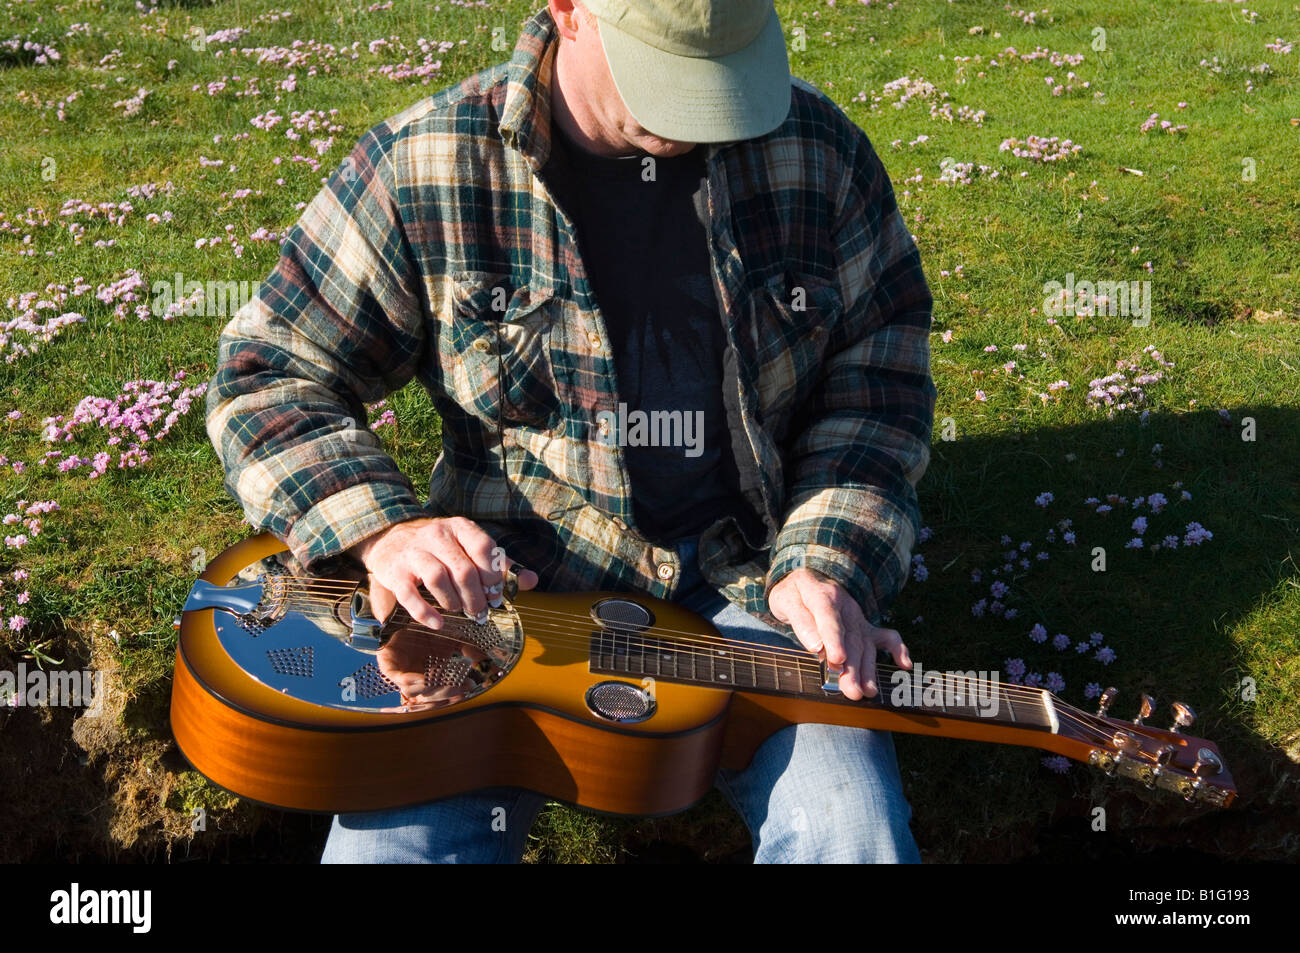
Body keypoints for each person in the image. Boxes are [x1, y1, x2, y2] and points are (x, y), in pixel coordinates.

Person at [206, 0, 936, 863]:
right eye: (672, 68)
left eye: (727, 71)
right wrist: (384, 530)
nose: (709, 115)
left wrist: (828, 561)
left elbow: (878, 383)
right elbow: (269, 372)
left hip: (753, 586)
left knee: (856, 832)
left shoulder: (817, 148)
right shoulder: (426, 162)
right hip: (506, 609)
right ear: (567, 11)